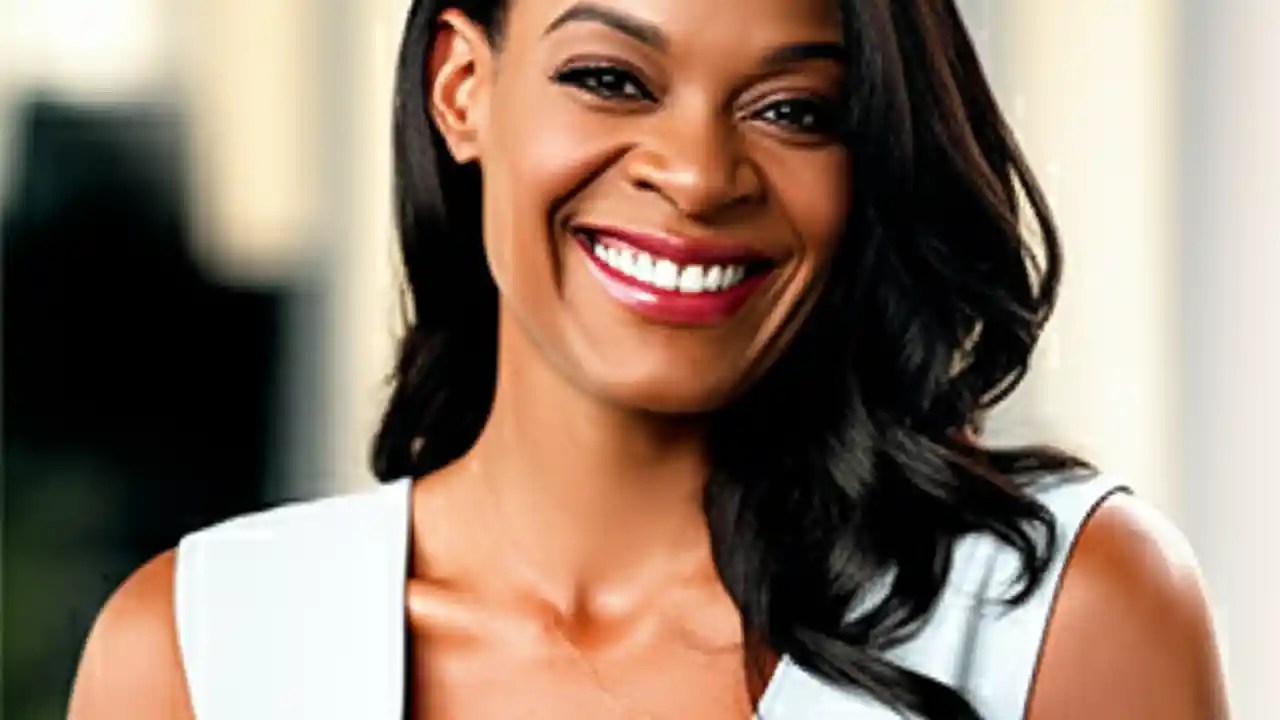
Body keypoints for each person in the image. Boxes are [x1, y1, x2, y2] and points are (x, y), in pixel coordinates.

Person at [67, 0, 1230, 718]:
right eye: (609, 79)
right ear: (461, 89)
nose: (696, 173)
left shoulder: (1055, 613)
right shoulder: (198, 649)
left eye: (793, 109)